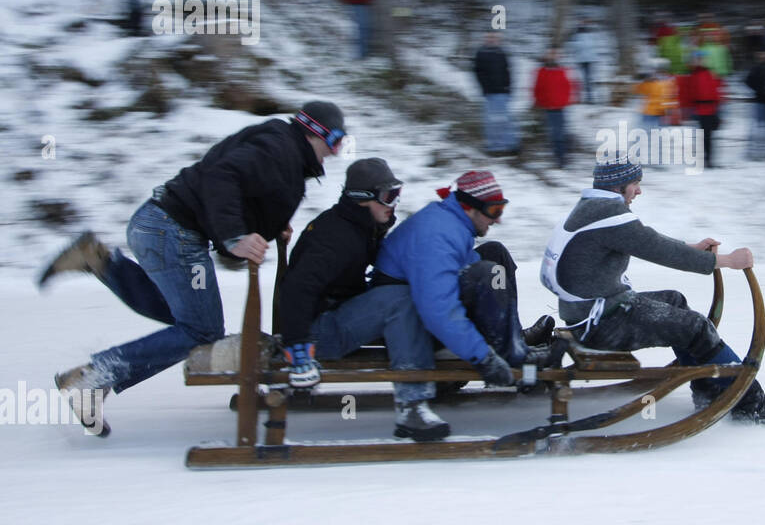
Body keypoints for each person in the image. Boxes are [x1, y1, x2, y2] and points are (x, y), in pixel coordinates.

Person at [38, 102, 349, 435]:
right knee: (201, 330)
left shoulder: (280, 147)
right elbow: (222, 175)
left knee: (187, 319)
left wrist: (271, 227)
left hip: (160, 225)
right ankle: (93, 377)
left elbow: (246, 188)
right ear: (314, 131)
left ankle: (101, 263)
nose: (336, 151)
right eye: (336, 140)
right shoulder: (279, 151)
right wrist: (235, 237)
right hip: (172, 232)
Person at [540, 157, 765, 424]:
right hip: (599, 324)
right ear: (617, 186)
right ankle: (750, 402)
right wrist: (727, 261)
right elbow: (657, 249)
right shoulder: (606, 214)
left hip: (591, 312)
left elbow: (646, 239)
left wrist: (691, 247)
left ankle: (706, 387)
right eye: (635, 184)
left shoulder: (593, 207)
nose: (639, 191)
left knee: (675, 300)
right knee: (694, 326)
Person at [278, 157, 456, 441]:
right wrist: (298, 350)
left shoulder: (361, 227)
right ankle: (412, 405)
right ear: (362, 199)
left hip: (338, 314)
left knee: (406, 289)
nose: (394, 203)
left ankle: (434, 363)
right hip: (318, 333)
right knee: (399, 300)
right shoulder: (335, 237)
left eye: (397, 194)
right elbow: (296, 290)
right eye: (388, 196)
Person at [371, 170, 554, 394]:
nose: (498, 219)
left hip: (417, 306)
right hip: (409, 327)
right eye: (494, 210)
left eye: (501, 208)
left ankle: (512, 339)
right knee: (488, 272)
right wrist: (483, 358)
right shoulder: (438, 235)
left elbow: (461, 273)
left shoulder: (452, 221)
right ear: (469, 206)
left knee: (495, 254)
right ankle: (512, 355)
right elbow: (438, 310)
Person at [474, 32, 517, 154]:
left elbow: (507, 71)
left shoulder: (502, 53)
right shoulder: (481, 53)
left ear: (499, 39)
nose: (492, 40)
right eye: (489, 37)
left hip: (503, 92)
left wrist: (508, 88)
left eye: (495, 38)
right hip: (490, 93)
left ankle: (511, 145)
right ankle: (494, 147)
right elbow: (478, 73)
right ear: (485, 39)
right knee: (492, 121)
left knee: (506, 119)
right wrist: (485, 88)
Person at [682, 51, 724, 168]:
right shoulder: (692, 75)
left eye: (702, 59)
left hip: (711, 108)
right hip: (699, 109)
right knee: (704, 135)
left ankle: (709, 159)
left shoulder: (710, 73)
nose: (700, 61)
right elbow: (689, 92)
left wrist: (719, 106)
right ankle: (705, 158)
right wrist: (688, 108)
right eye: (698, 59)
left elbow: (716, 90)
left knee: (708, 135)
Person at [533, 50, 573, 167]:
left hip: (560, 106)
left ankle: (563, 156)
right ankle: (559, 157)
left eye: (555, 54)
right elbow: (538, 88)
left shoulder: (562, 70)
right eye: (551, 54)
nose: (553, 57)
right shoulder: (542, 71)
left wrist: (566, 100)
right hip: (548, 106)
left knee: (560, 132)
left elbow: (568, 86)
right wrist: (538, 101)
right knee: (555, 133)